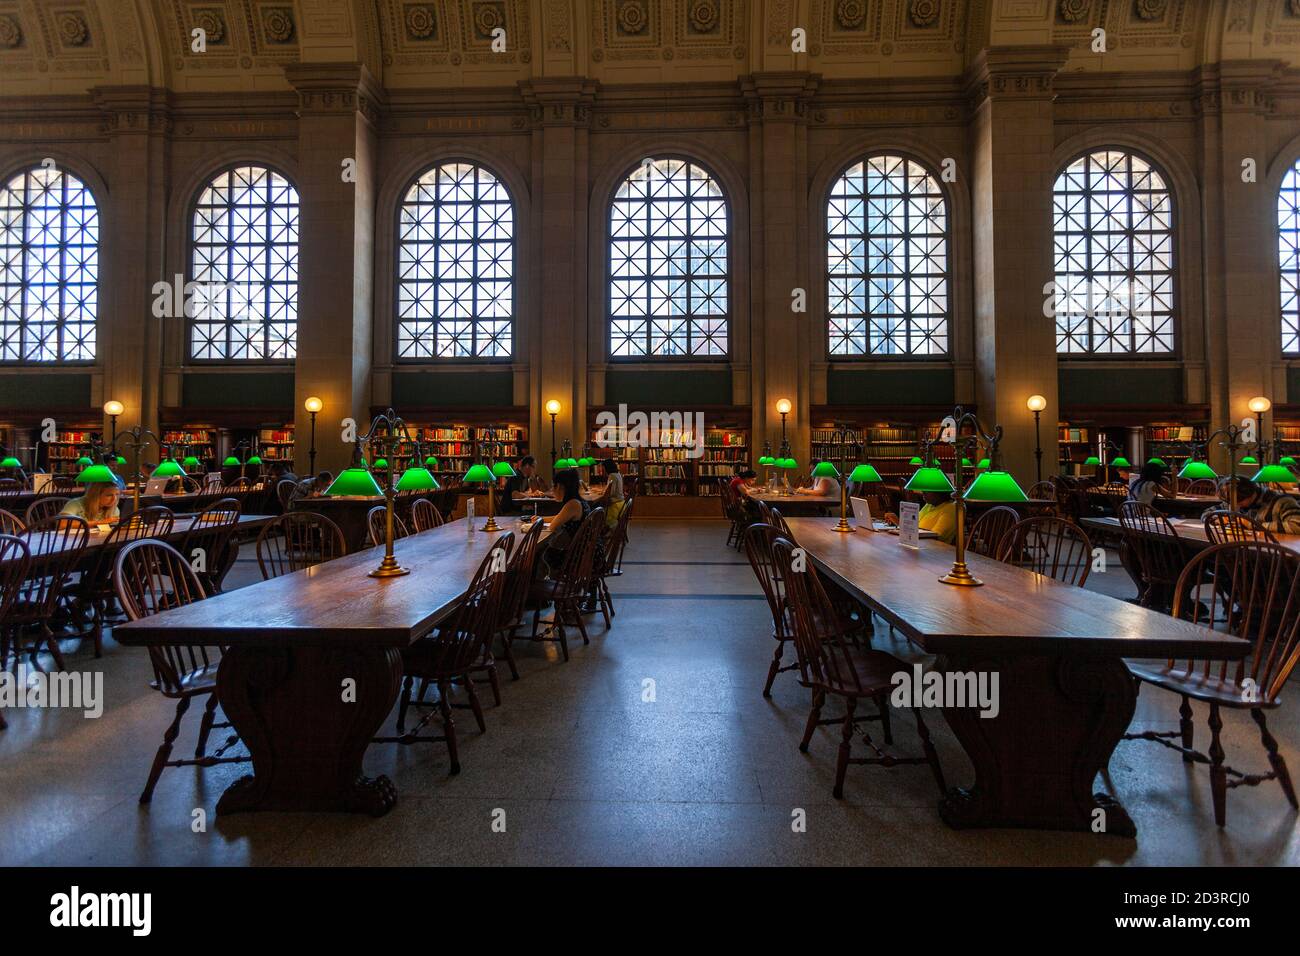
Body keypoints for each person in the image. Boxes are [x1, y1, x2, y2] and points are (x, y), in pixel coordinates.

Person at [540, 468, 590, 574]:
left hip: (581, 557)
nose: (552, 490)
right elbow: (559, 516)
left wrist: (539, 522)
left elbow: (552, 526)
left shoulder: (572, 504)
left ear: (560, 486)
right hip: (586, 552)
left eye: (553, 486)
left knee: (541, 553)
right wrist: (540, 518)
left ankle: (535, 585)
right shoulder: (577, 501)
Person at [1215, 476, 1300, 535]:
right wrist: (1218, 519)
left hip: (1277, 552)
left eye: (1239, 502)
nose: (1236, 506)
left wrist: (1251, 524)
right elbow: (1207, 513)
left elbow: (1297, 526)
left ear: (1250, 493)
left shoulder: (1282, 502)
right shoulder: (1236, 501)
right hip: (1249, 549)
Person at [884, 491, 958, 544]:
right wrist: (899, 524)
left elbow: (935, 537)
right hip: (915, 543)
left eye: (927, 490)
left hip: (933, 551)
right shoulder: (929, 505)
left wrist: (899, 524)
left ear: (940, 492)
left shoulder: (951, 508)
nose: (923, 492)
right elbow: (915, 526)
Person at [590, 458, 626, 527]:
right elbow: (612, 490)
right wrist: (603, 491)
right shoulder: (618, 474)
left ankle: (596, 530)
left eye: (604, 468)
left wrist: (602, 493)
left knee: (595, 508)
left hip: (615, 505)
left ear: (607, 467)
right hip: (621, 502)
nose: (603, 470)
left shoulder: (612, 476)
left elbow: (611, 493)